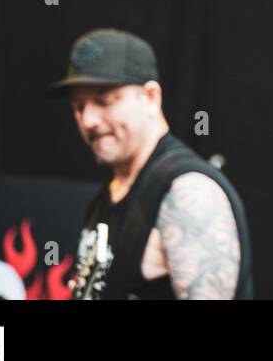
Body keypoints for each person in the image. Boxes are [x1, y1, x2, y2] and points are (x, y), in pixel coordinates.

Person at [48, 28, 253, 299]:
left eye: (103, 101)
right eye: (79, 106)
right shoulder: (108, 195)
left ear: (151, 98)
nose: (88, 121)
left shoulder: (188, 193)